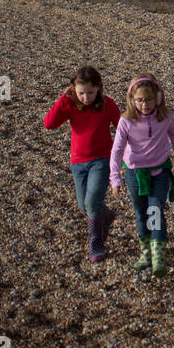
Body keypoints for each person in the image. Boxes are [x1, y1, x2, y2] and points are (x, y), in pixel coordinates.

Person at [42, 66, 120, 263]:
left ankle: (96, 244)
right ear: (74, 90)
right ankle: (107, 216)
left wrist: (125, 159)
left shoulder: (108, 104)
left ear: (99, 89)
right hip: (78, 163)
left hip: (102, 160)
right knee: (83, 205)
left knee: (92, 203)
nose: (86, 98)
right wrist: (63, 98)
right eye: (81, 93)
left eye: (91, 93)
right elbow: (49, 124)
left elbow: (122, 129)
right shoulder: (70, 105)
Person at [110, 75, 174, 276]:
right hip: (134, 173)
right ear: (132, 100)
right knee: (141, 213)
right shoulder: (126, 121)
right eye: (140, 100)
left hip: (160, 170)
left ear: (158, 98)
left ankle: (158, 256)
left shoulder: (166, 117)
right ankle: (146, 253)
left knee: (155, 211)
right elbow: (117, 150)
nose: (144, 104)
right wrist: (115, 178)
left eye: (149, 99)